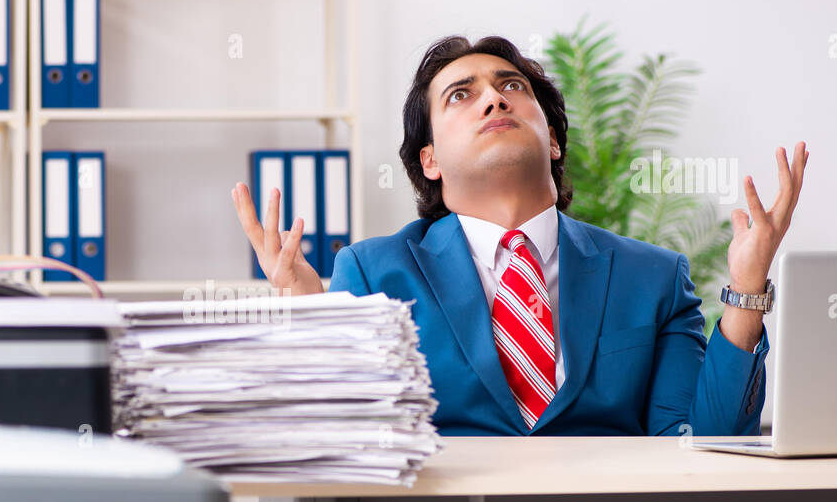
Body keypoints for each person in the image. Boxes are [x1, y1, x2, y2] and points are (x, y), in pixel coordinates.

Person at [231, 34, 808, 436]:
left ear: (553, 141)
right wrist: (311, 322)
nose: (493, 97)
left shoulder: (653, 276)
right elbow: (352, 445)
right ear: (429, 160)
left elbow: (704, 444)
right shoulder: (372, 272)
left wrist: (746, 287)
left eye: (512, 86)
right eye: (461, 94)